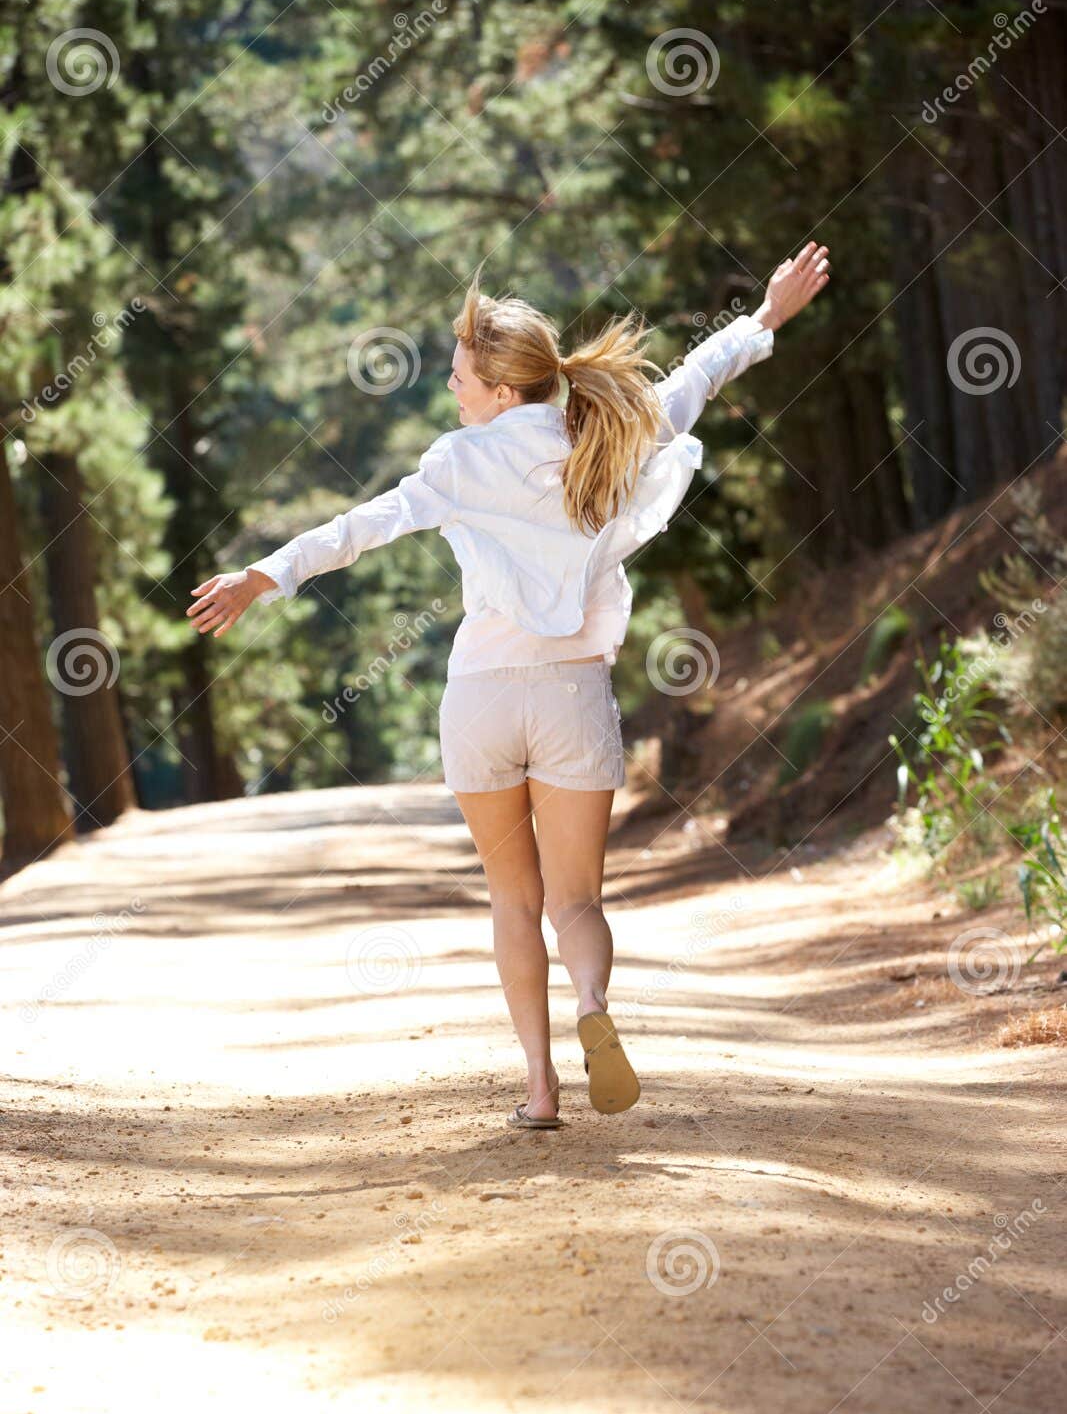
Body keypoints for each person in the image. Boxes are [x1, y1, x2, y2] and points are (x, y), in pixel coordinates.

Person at [187, 244, 830, 1130]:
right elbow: (695, 378)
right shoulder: (608, 433)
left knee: (512, 900)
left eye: (459, 377)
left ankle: (539, 1088)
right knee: (577, 902)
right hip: (573, 698)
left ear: (498, 390)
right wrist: (762, 318)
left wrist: (262, 576)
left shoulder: (459, 460)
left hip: (482, 700)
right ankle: (592, 1004)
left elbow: (360, 527)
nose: (451, 390)